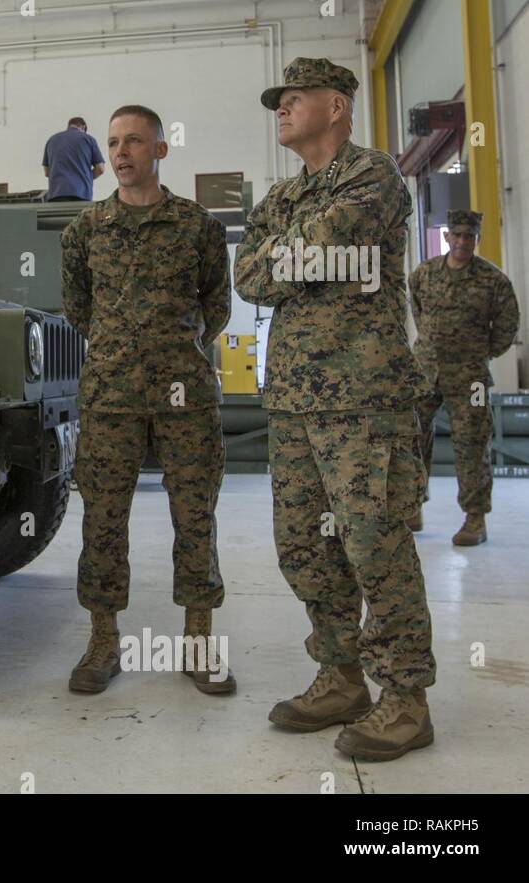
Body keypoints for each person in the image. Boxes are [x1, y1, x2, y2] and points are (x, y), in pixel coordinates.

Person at [235, 58, 436, 761]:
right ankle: (342, 675)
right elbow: (250, 274)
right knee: (304, 548)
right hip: (292, 398)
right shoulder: (282, 195)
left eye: (294, 100)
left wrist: (289, 255)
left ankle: (407, 697)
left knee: (374, 544)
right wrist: (292, 254)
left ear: (337, 106)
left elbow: (321, 248)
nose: (282, 111)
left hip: (364, 398)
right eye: (279, 102)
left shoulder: (374, 176)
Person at [60, 104, 234, 696]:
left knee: (195, 517)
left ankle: (199, 639)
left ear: (160, 150)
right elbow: (78, 309)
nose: (121, 153)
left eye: (135, 141)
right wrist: (122, 350)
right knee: (103, 520)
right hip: (111, 396)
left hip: (185, 396)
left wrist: (174, 350)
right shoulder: (84, 231)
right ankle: (104, 642)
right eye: (112, 143)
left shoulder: (198, 225)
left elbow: (218, 304)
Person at [410, 209, 521, 545]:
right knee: (411, 435)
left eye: (468, 236)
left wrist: (479, 353)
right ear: (446, 237)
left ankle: (474, 520)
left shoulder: (493, 280)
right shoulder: (424, 274)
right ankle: (412, 504)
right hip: (426, 371)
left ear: (477, 238)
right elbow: (417, 311)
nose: (461, 242)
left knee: (471, 443)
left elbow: (506, 328)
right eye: (456, 235)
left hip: (470, 377)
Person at [43, 117, 106, 202]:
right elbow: (100, 169)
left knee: (59, 215)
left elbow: (47, 172)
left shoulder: (51, 140)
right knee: (81, 215)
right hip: (82, 193)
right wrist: (86, 177)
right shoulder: (88, 139)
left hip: (56, 194)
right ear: (83, 127)